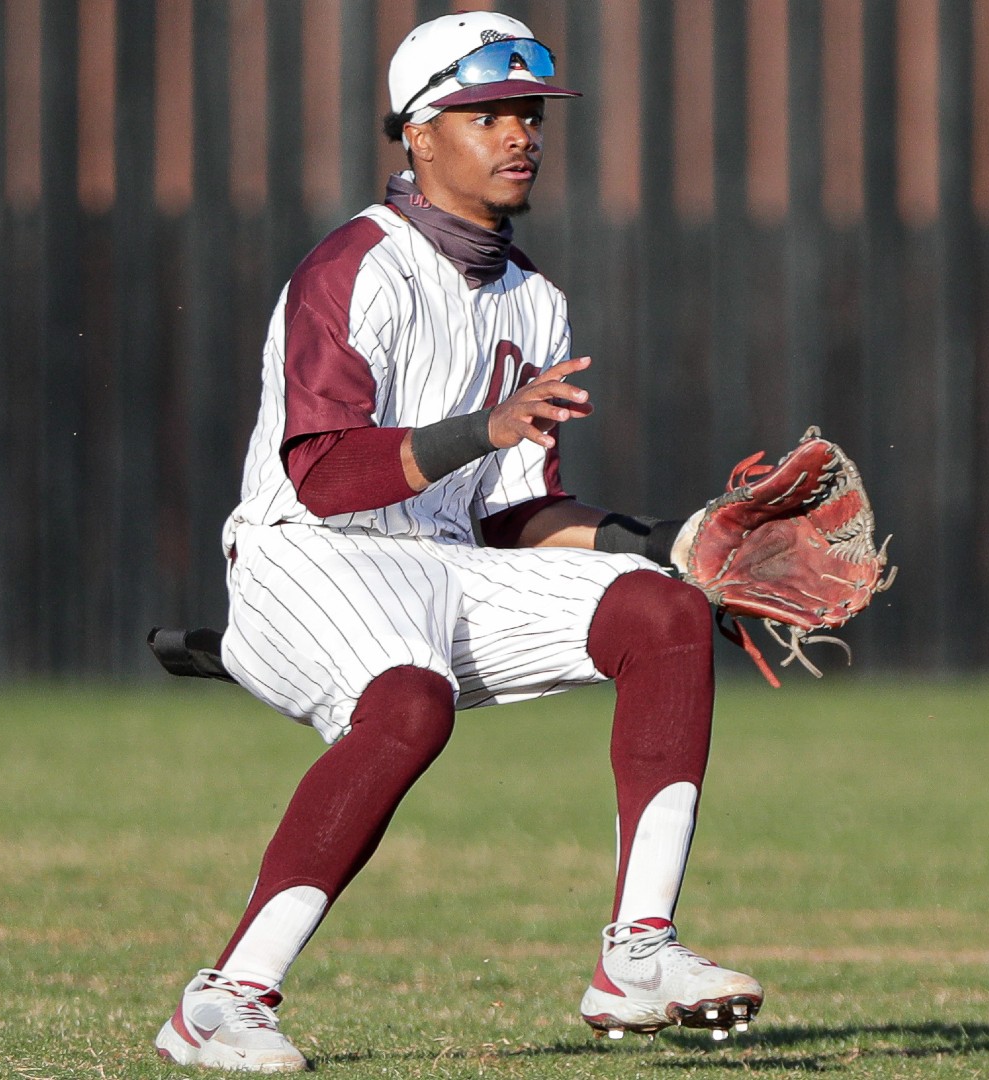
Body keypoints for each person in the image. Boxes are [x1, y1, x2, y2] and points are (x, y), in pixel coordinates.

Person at [153, 12, 761, 1072]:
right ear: (418, 133)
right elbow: (324, 474)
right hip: (306, 554)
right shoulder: (353, 269)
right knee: (409, 703)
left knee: (662, 613)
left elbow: (514, 515)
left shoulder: (538, 300)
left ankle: (638, 955)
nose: (520, 132)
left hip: (445, 564)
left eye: (529, 112)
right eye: (489, 113)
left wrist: (670, 543)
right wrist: (479, 430)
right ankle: (222, 1000)